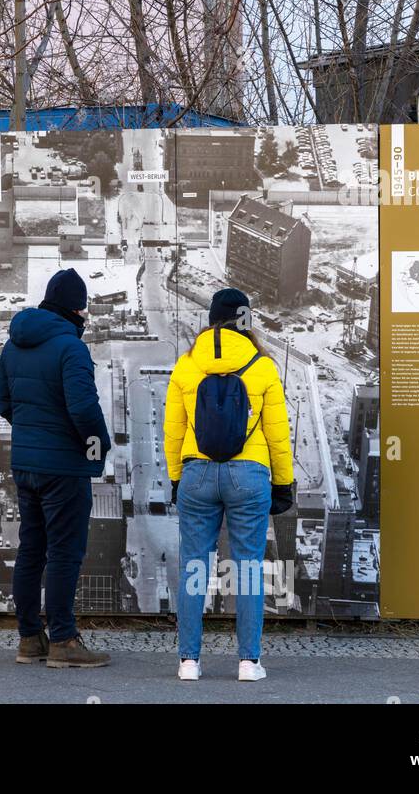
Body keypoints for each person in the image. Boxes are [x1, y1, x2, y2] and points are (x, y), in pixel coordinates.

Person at [163, 288, 294, 682]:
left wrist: (175, 476)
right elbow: (277, 434)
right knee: (250, 567)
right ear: (245, 322)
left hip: (197, 473)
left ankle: (188, 662)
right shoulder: (263, 367)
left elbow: (173, 431)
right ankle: (249, 662)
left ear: (210, 321)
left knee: (193, 566)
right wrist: (284, 483)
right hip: (248, 474)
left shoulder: (186, 366)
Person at [0, 268, 113, 668]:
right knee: (64, 552)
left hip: (26, 463)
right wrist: (99, 444)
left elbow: (3, 404)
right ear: (74, 308)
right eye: (82, 307)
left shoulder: (13, 345)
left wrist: (32, 431)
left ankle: (30, 639)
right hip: (63, 466)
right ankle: (63, 641)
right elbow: (82, 408)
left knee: (32, 548)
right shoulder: (70, 348)